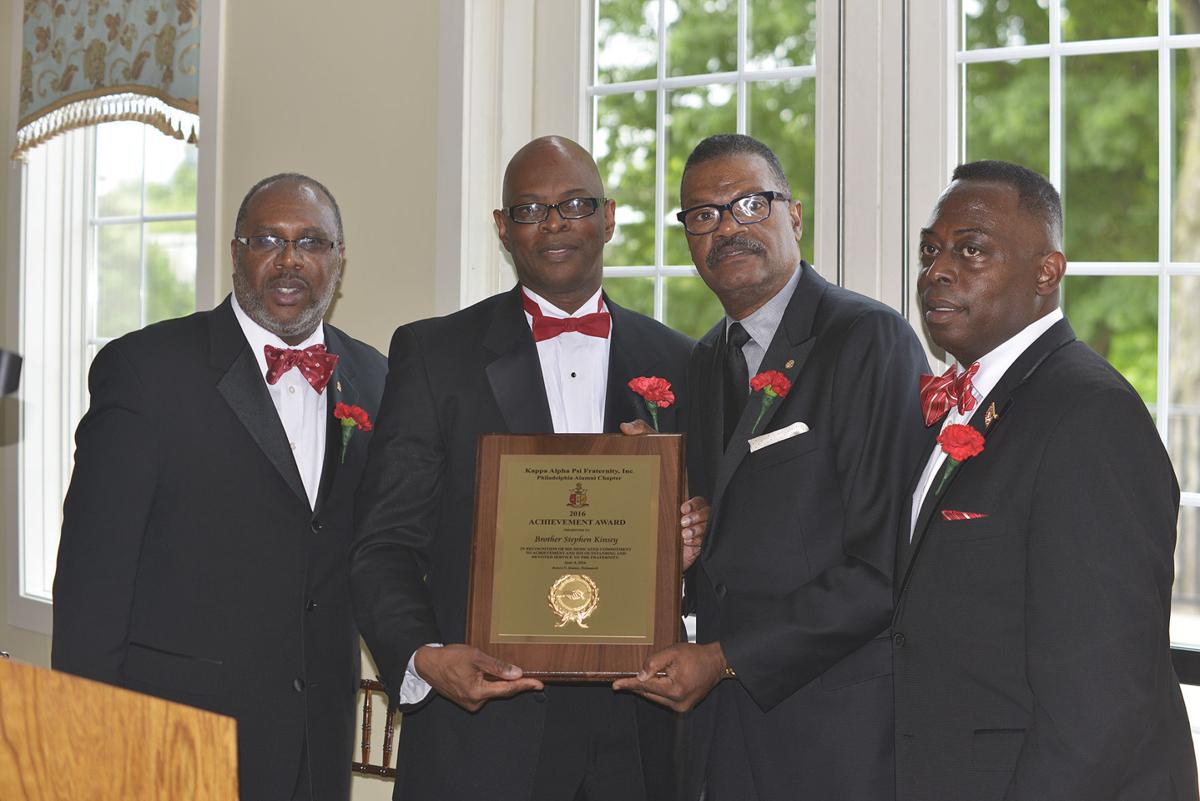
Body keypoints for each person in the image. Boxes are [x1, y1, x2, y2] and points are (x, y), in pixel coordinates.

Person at [350, 135, 703, 801]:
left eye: (575, 204)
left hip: (636, 743)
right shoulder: (433, 355)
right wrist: (427, 659)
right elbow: (383, 544)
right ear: (502, 228)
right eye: (531, 209)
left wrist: (690, 538)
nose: (555, 223)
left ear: (610, 215)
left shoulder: (684, 361)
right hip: (481, 741)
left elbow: (723, 550)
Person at [615, 133, 930, 800]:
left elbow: (885, 567)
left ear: (794, 214)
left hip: (838, 736)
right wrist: (659, 521)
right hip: (723, 738)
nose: (727, 228)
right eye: (702, 215)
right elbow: (721, 538)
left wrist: (726, 660)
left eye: (750, 204)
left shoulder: (869, 339)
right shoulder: (703, 361)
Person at [53, 173, 387, 801]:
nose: (291, 261)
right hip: (177, 736)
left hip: (319, 739)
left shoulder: (375, 376)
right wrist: (89, 743)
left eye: (312, 242)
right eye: (268, 239)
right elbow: (91, 584)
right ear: (237, 254)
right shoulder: (145, 371)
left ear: (339, 261)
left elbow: (382, 546)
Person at [892, 160, 1198, 800]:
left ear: (1046, 272)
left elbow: (1100, 699)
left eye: (971, 249)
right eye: (930, 249)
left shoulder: (1090, 414)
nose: (937, 270)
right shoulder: (962, 403)